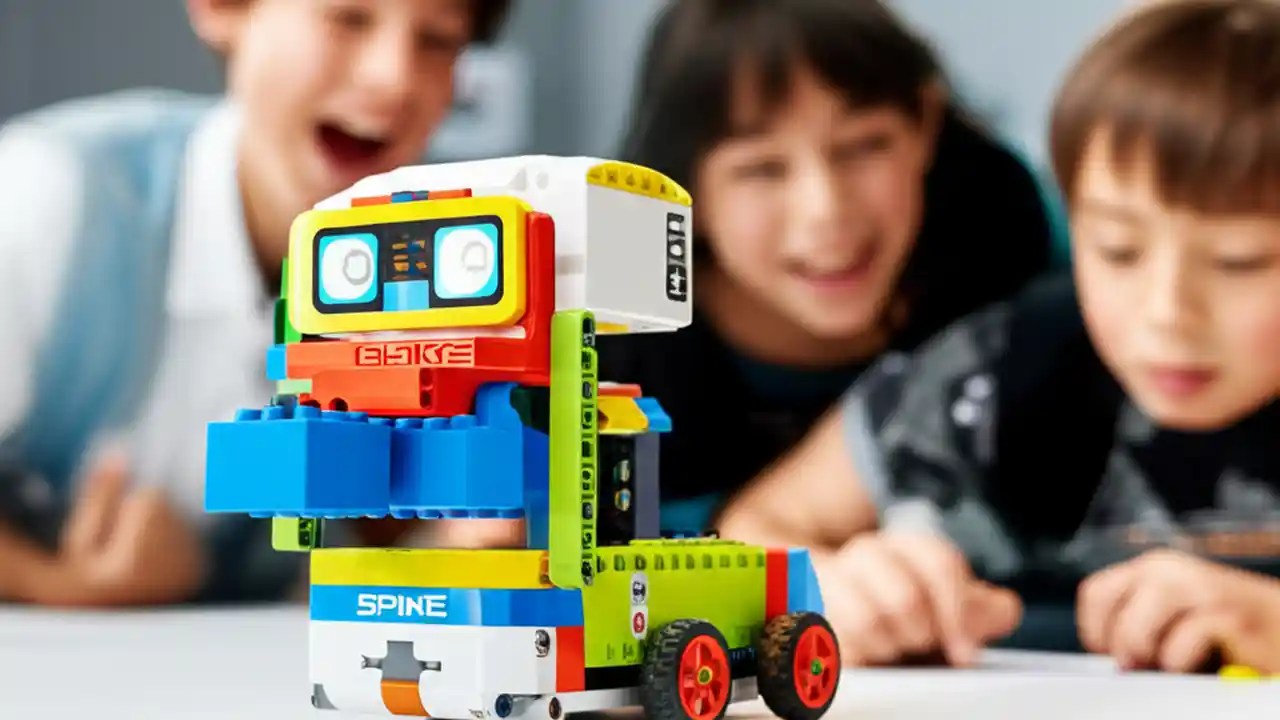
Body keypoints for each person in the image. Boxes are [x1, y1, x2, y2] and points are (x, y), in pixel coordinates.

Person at [717, 0, 1280, 675]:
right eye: (1118, 250)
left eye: (1240, 261)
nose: (1166, 314)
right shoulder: (986, 373)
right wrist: (821, 590)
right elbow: (749, 531)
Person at [436, 0, 1057, 550]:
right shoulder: (601, 339)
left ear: (924, 123)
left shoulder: (1009, 232)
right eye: (762, 169)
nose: (827, 212)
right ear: (680, 193)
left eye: (863, 145)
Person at [0, 0, 511, 607]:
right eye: (348, 18)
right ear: (223, 9)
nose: (394, 79)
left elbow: (411, 533)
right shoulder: (49, 196)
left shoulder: (454, 270)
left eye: (438, 40)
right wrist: (61, 584)